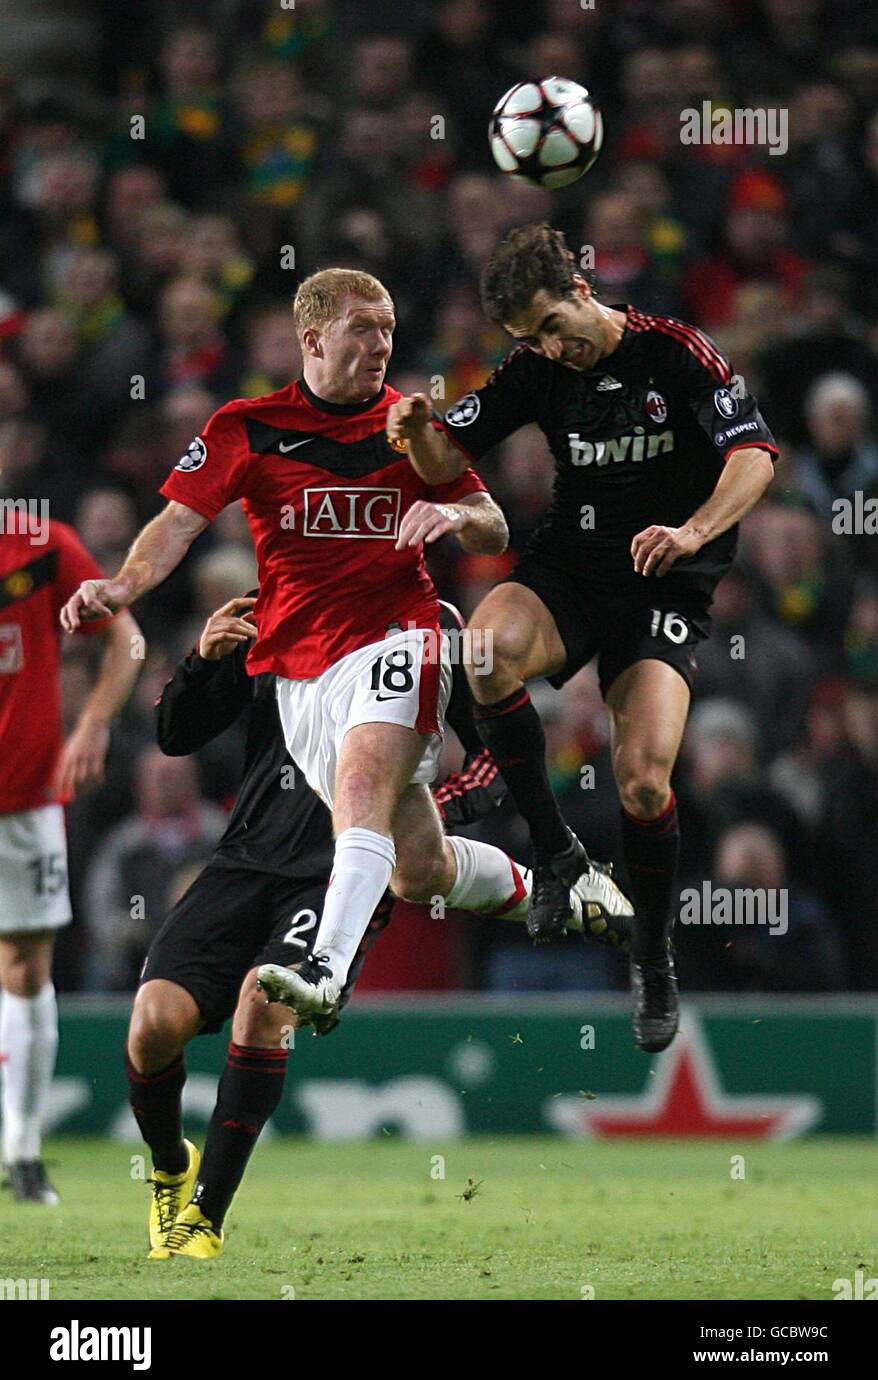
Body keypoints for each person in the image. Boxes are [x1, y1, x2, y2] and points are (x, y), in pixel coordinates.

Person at [60, 267, 631, 1027]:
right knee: (417, 869)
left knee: (360, 789)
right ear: (312, 338)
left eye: (389, 328)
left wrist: (457, 521)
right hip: (301, 672)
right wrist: (122, 587)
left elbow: (493, 522)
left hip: (400, 637)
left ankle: (323, 969)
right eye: (363, 328)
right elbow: (176, 524)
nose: (381, 343)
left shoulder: (411, 426)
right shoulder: (247, 426)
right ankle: (565, 888)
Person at [130, 593, 629, 1259]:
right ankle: (169, 1165)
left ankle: (206, 1216)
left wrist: (429, 811)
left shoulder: (437, 626)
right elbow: (175, 736)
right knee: (153, 1025)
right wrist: (201, 660)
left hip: (339, 871)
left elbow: (500, 752)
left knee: (265, 1003)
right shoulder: (279, 607)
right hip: (243, 859)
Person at [385, 224, 779, 1052]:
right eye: (528, 339)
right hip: (575, 564)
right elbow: (445, 454)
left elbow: (755, 457)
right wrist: (418, 430)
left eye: (550, 327)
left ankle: (653, 953)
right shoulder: (536, 368)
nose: (548, 349)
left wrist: (692, 530)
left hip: (667, 579)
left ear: (580, 290)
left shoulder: (677, 353)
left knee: (641, 784)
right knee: (484, 652)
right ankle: (558, 854)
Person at [0, 513, 141, 1202]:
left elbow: (126, 637)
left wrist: (95, 721)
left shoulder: (40, 545)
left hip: (25, 800)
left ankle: (22, 1150)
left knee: (24, 966)